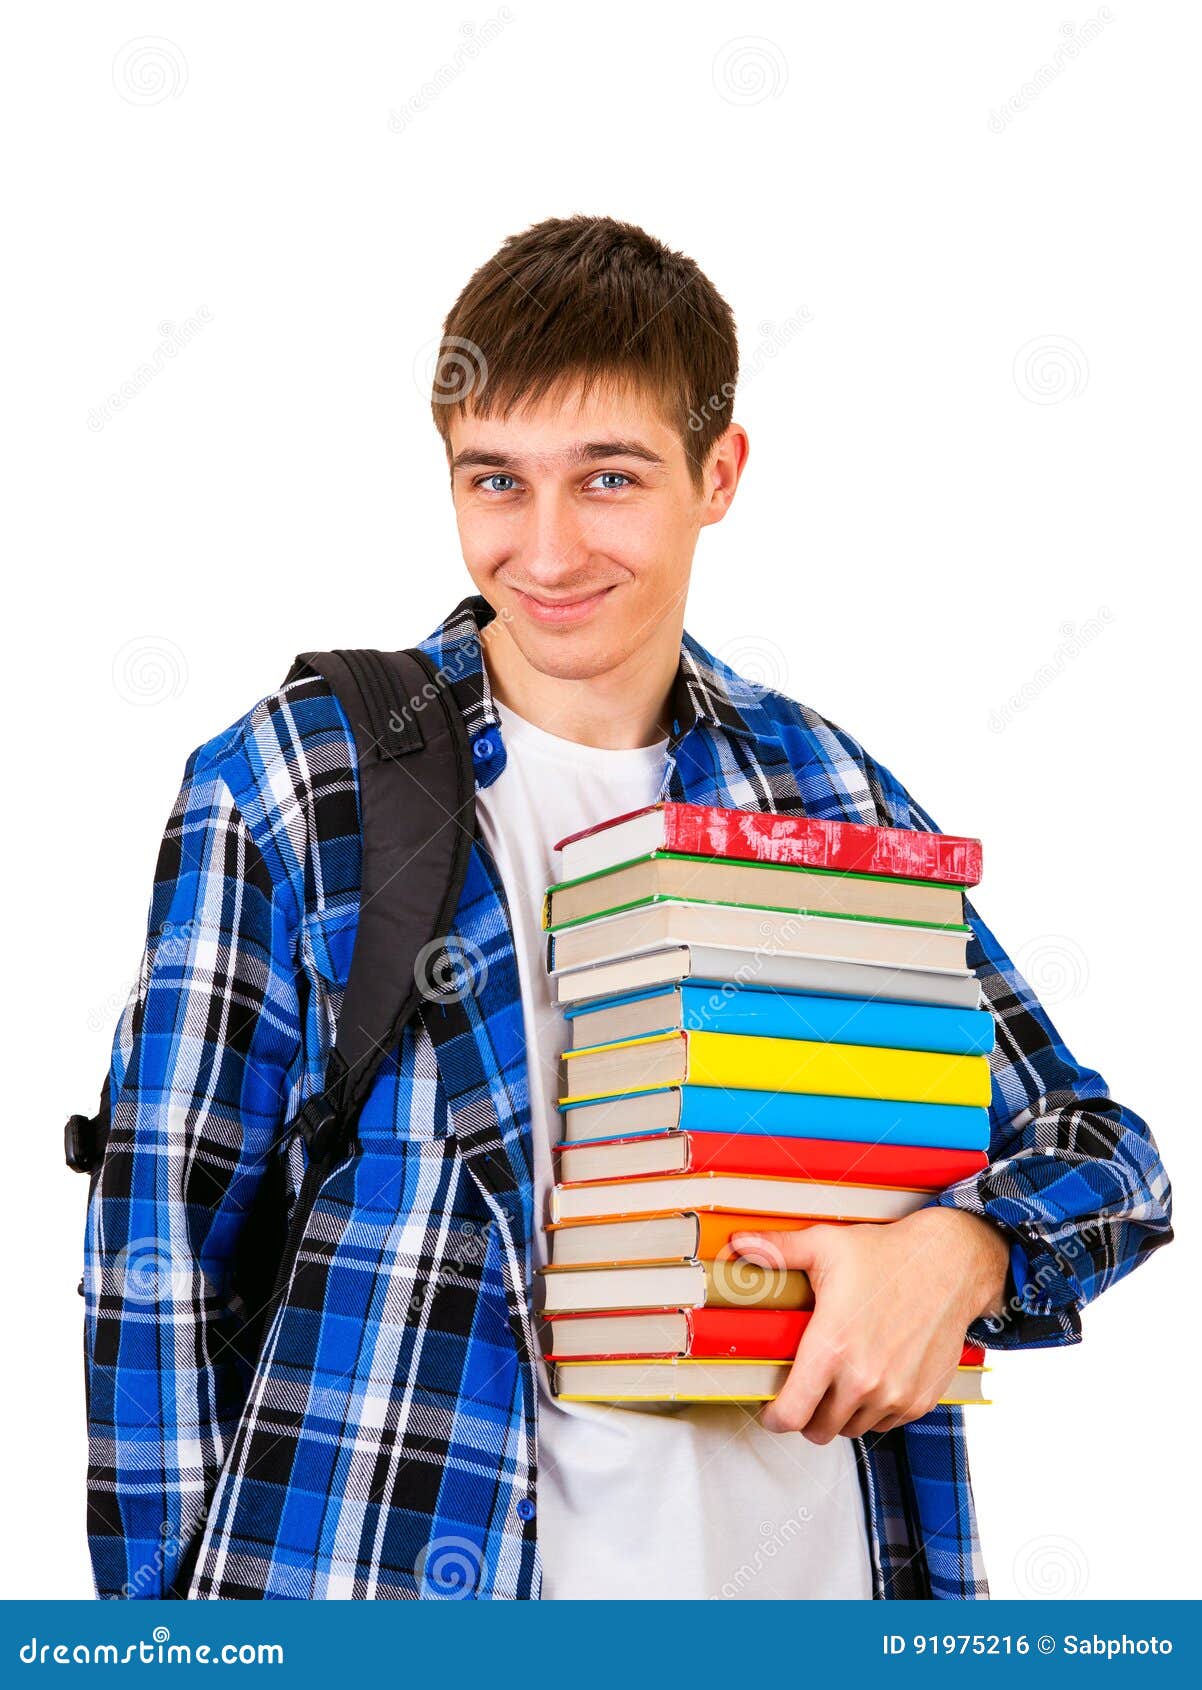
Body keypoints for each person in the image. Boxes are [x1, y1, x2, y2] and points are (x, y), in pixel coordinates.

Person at [79, 214, 1172, 1602]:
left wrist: (961, 1247)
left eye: (607, 477)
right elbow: (154, 1252)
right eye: (495, 481)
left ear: (718, 474)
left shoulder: (827, 796)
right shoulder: (300, 783)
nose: (543, 550)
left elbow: (1104, 1154)